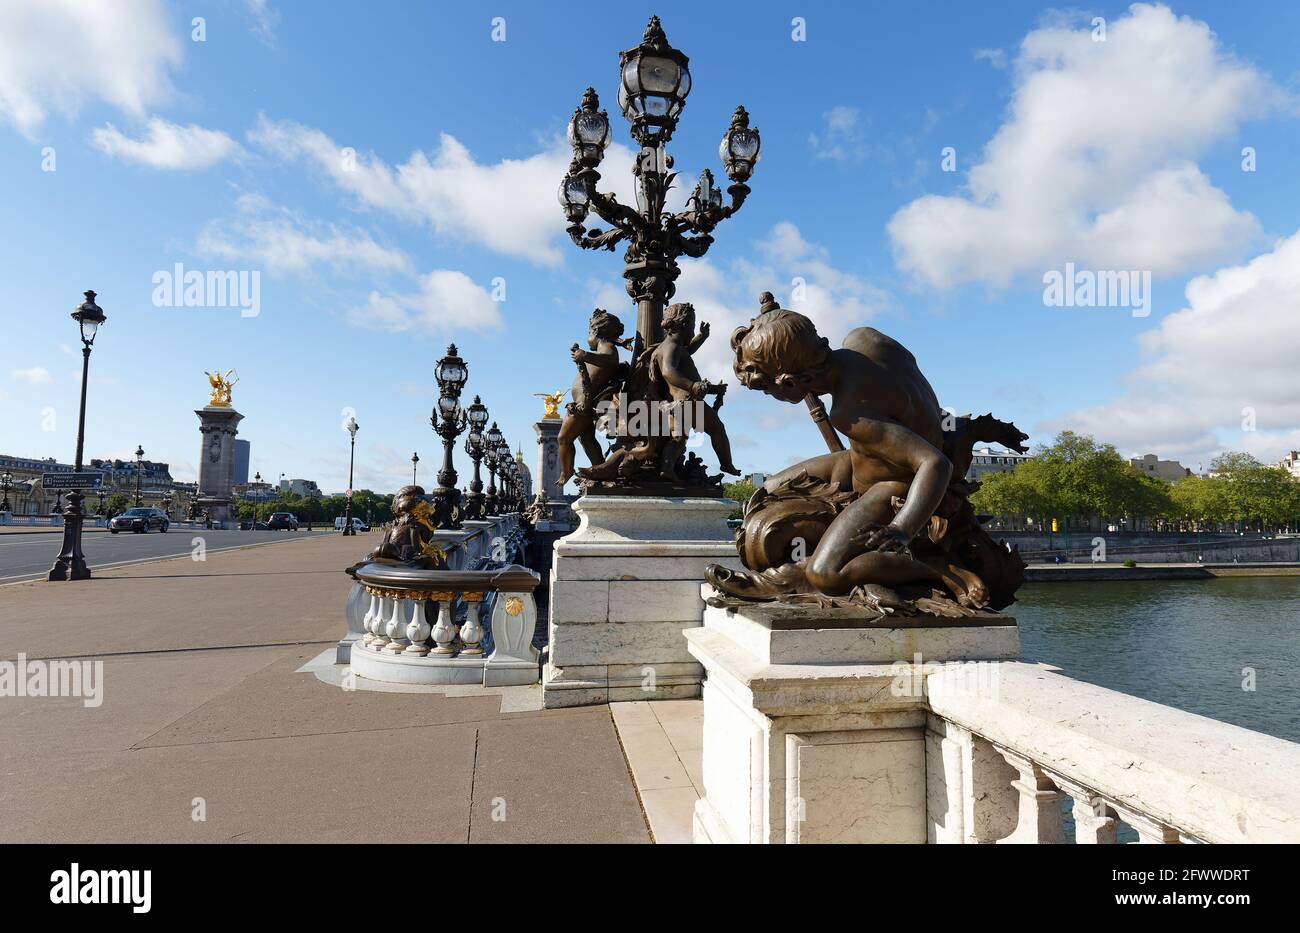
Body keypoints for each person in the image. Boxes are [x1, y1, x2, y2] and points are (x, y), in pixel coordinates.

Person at [647, 302, 739, 480]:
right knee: (717, 429)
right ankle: (726, 464)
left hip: (675, 403)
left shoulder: (669, 346)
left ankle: (667, 468)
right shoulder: (671, 347)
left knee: (679, 438)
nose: (693, 330)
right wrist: (693, 386)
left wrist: (701, 337)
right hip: (688, 400)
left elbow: (687, 350)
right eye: (692, 325)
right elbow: (668, 371)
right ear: (683, 325)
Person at [556, 309, 629, 487]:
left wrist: (585, 355)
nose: (588, 336)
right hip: (584, 403)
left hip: (583, 405)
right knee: (587, 439)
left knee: (563, 438)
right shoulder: (604, 347)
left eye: (589, 332)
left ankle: (567, 471)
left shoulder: (607, 347)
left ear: (596, 332)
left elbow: (609, 360)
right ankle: (601, 469)